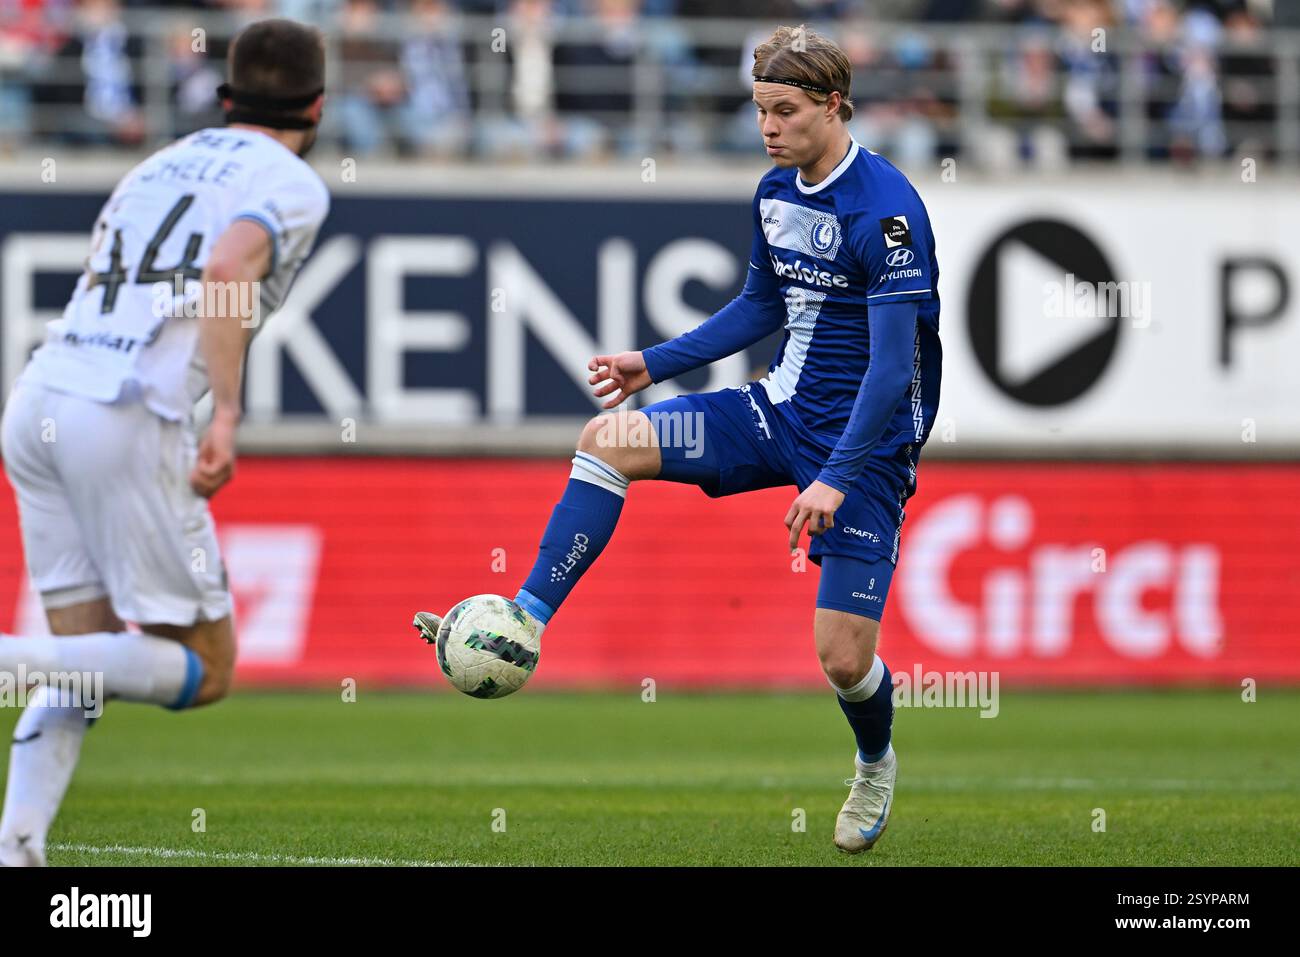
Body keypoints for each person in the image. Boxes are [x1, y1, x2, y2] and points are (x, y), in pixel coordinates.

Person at [416, 24, 942, 854]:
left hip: (865, 449)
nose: (770, 128)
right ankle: (524, 617)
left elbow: (889, 372)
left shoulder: (886, 210)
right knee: (609, 435)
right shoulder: (775, 191)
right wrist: (650, 365)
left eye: (787, 111)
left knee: (842, 658)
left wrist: (837, 475)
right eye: (761, 109)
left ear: (836, 107)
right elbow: (759, 308)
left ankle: (874, 760)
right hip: (776, 412)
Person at [0, 17, 330, 867]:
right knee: (208, 667)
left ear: (225, 97)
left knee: (83, 661)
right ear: (319, 108)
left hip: (42, 396)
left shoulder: (157, 163)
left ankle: (18, 846)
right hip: (125, 414)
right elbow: (228, 269)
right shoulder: (289, 180)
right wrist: (224, 412)